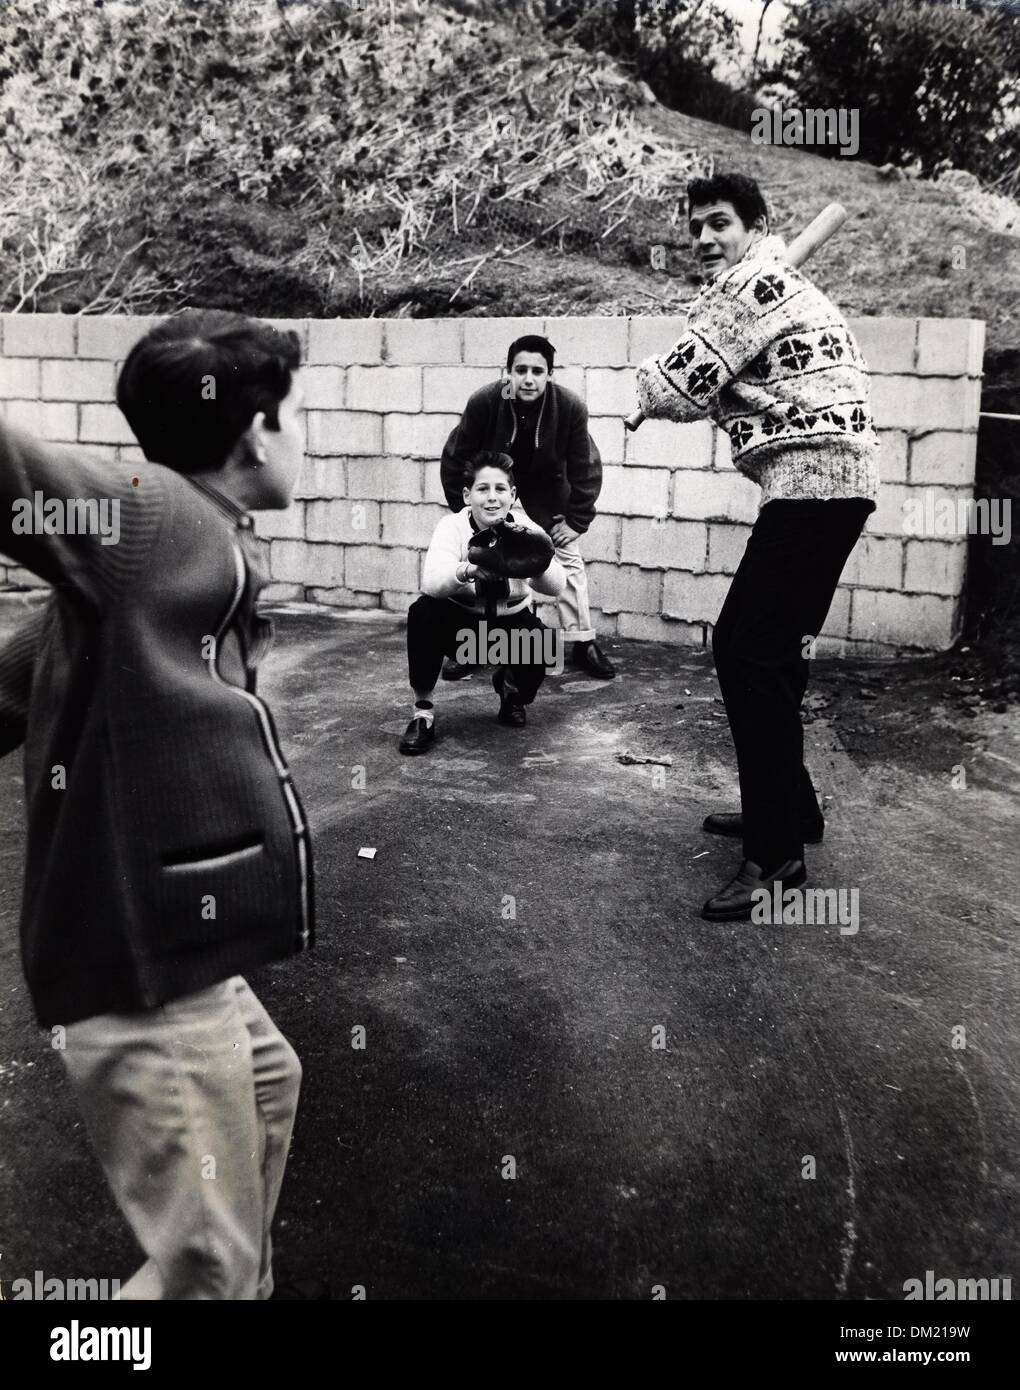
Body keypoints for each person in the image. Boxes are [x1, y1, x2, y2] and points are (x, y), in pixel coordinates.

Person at [0, 310, 313, 1298]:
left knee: (270, 1084)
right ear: (258, 429)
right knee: (205, 1264)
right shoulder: (152, 519)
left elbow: (18, 686)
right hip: (136, 963)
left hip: (182, 945)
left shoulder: (155, 561)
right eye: (297, 415)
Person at [634, 172, 879, 922]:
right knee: (753, 645)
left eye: (719, 224)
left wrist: (642, 387)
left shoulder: (752, 287)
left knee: (751, 652)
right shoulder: (757, 282)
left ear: (756, 225)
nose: (705, 240)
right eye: (696, 229)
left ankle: (776, 859)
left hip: (818, 482)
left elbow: (678, 385)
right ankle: (791, 809)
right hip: (822, 481)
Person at [439, 334, 615, 679]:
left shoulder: (568, 406)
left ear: (550, 373)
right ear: (508, 372)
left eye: (538, 370)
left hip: (546, 497)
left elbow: (587, 466)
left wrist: (577, 520)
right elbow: (455, 457)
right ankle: (476, 647)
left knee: (567, 560)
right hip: (494, 491)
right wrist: (463, 512)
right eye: (520, 370)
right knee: (478, 562)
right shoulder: (487, 401)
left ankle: (582, 642)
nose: (529, 379)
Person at [400, 450, 565, 754]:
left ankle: (510, 689)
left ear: (512, 495)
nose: (492, 498)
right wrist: (468, 570)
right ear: (467, 495)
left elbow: (558, 587)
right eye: (482, 489)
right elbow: (431, 582)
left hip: (507, 627)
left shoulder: (526, 527)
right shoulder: (452, 526)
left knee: (546, 642)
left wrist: (537, 562)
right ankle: (423, 713)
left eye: (500, 489)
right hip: (462, 632)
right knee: (422, 612)